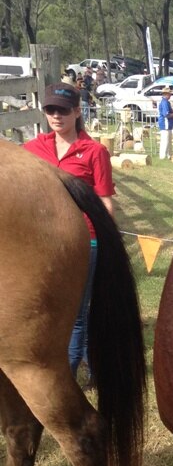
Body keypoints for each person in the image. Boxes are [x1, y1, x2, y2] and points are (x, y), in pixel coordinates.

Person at [23, 82, 116, 384]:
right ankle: (91, 362)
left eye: (63, 110)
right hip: (42, 241)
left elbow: (104, 199)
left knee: (76, 311)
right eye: (50, 109)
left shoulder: (94, 151)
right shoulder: (33, 148)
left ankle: (71, 375)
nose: (56, 116)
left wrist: (105, 242)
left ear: (77, 111)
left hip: (83, 239)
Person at [158, 86, 173, 160]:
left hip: (167, 124)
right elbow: (166, 114)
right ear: (166, 94)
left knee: (168, 140)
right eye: (169, 94)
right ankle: (163, 156)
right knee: (165, 140)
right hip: (165, 123)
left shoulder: (166, 102)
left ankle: (169, 155)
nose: (170, 95)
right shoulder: (165, 102)